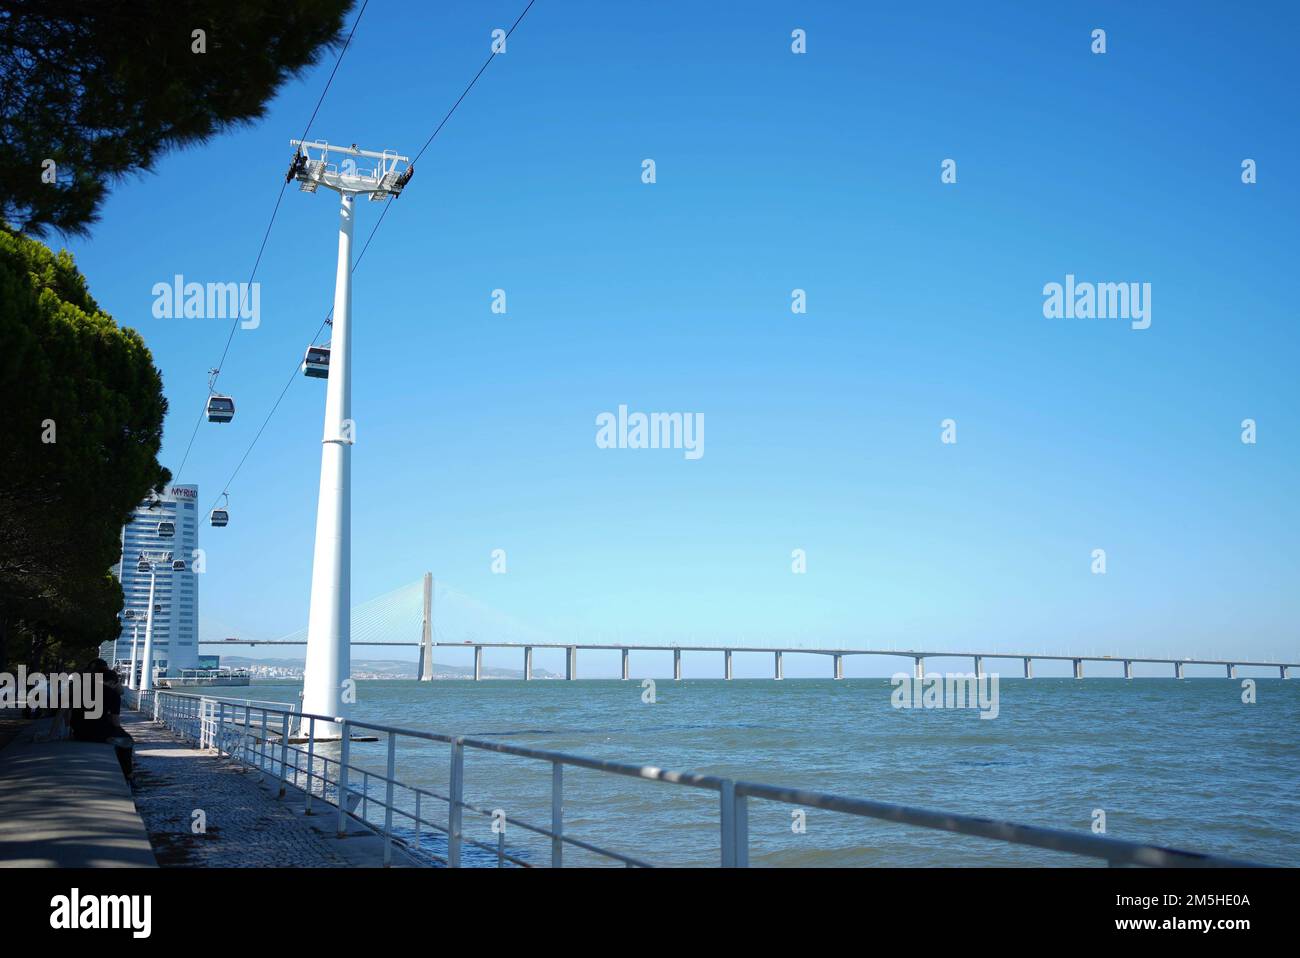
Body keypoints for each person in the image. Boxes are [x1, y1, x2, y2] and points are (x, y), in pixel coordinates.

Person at [69, 659, 134, 778]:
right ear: (113, 682)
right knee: (127, 740)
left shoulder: (81, 686)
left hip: (79, 732)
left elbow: (65, 711)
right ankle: (128, 774)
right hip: (96, 735)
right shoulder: (113, 694)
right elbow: (116, 722)